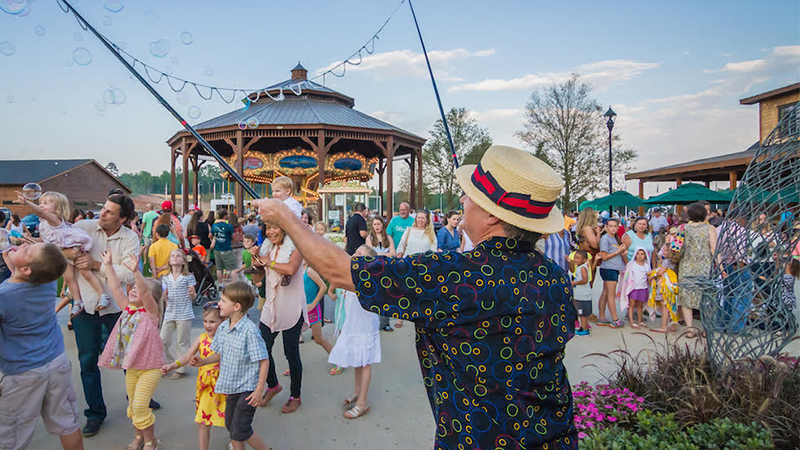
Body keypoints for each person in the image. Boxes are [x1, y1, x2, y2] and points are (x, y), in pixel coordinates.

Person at [251, 144, 578, 448]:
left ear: (492, 215)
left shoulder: (454, 274)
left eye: (469, 195)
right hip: (555, 435)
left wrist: (287, 219)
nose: (462, 200)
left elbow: (340, 272)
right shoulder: (556, 278)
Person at [72, 194, 144, 437]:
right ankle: (95, 413)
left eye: (109, 212)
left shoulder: (130, 238)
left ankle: (137, 400)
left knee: (129, 357)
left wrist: (96, 266)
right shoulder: (84, 228)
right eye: (103, 209)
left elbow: (128, 273)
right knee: (87, 361)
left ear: (122, 218)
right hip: (86, 307)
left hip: (116, 307)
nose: (102, 214)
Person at [0, 242, 84, 450]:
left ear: (27, 269)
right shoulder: (45, 281)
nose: (23, 245)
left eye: (28, 250)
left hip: (21, 373)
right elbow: (40, 264)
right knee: (67, 423)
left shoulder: (4, 296)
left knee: (11, 438)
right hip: (57, 363)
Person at [97, 250, 164, 450]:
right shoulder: (127, 307)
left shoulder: (151, 314)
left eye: (139, 288)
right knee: (133, 407)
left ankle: (151, 441)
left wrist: (136, 272)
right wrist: (108, 265)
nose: (134, 290)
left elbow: (144, 292)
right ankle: (138, 437)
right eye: (133, 287)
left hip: (150, 368)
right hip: (133, 367)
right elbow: (115, 286)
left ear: (152, 299)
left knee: (140, 406)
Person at [195, 282, 272, 450]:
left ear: (236, 306)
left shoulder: (250, 331)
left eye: (223, 300)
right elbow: (218, 354)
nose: (218, 304)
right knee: (231, 426)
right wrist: (202, 361)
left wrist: (259, 390)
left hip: (248, 389)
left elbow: (264, 360)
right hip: (231, 387)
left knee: (241, 430)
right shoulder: (223, 327)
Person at [13, 191, 109, 316]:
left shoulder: (55, 219)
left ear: (57, 207)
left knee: (86, 272)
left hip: (72, 247)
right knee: (68, 277)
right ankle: (78, 301)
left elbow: (40, 212)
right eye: (41, 202)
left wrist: (27, 202)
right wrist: (27, 239)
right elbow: (43, 241)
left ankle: (103, 295)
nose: (42, 205)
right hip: (62, 252)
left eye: (46, 203)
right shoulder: (43, 225)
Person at [256, 223, 308, 414]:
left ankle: (296, 396)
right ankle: (273, 385)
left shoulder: (296, 246)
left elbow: (290, 269)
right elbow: (258, 279)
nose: (271, 232)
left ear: (285, 228)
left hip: (291, 307)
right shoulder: (266, 248)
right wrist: (255, 262)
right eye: (268, 228)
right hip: (271, 306)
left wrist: (265, 261)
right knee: (261, 348)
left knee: (291, 353)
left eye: (275, 227)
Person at [161, 302, 226, 450]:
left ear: (222, 322)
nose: (208, 325)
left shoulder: (226, 338)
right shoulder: (201, 338)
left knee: (230, 418)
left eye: (212, 322)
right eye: (205, 321)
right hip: (205, 387)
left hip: (224, 385)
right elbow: (187, 356)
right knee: (204, 422)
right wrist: (172, 365)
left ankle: (235, 440)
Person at [327, 245, 382, 419]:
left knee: (365, 361)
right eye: (356, 251)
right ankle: (357, 391)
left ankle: (362, 403)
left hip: (364, 324)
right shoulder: (353, 272)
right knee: (358, 360)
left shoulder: (366, 277)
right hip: (353, 323)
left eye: (359, 253)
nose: (354, 254)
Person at [677, 203, 717, 337]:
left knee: (686, 299)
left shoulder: (683, 228)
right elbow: (714, 249)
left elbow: (678, 247)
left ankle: (690, 329)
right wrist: (721, 267)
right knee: (706, 298)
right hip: (704, 267)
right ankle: (706, 329)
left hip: (687, 266)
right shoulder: (710, 228)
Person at [160, 248, 197, 379]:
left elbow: (193, 296)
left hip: (184, 313)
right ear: (169, 261)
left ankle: (181, 369)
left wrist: (192, 294)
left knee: (182, 342)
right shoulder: (165, 278)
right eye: (173, 256)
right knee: (162, 340)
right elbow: (164, 297)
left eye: (178, 256)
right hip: (170, 313)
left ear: (183, 261)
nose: (175, 257)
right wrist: (163, 297)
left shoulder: (188, 277)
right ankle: (170, 362)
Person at [303, 264, 338, 374]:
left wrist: (313, 304)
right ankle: (294, 364)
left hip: (312, 309)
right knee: (292, 340)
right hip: (299, 309)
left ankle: (338, 360)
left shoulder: (309, 271)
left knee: (319, 339)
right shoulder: (295, 270)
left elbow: (323, 287)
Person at [365, 216, 395, 332]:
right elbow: (370, 254)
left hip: (386, 269)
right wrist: (384, 254)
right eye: (375, 224)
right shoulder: (370, 238)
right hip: (374, 270)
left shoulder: (388, 238)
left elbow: (392, 253)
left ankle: (385, 323)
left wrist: (380, 254)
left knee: (386, 296)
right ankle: (374, 323)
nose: (377, 226)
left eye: (379, 224)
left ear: (383, 225)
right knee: (375, 296)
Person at [597, 218, 627, 328]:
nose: (613, 228)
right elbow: (604, 257)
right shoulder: (605, 239)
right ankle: (615, 319)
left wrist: (621, 252)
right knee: (611, 294)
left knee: (605, 293)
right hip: (608, 268)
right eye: (611, 226)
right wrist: (617, 252)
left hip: (612, 268)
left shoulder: (614, 238)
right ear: (606, 227)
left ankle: (601, 317)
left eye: (615, 226)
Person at [618, 248, 652, 328]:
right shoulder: (632, 265)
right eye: (638, 253)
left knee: (640, 305)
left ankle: (640, 321)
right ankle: (631, 321)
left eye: (642, 254)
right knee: (631, 305)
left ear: (645, 256)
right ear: (635, 255)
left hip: (643, 288)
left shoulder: (646, 266)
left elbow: (649, 276)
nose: (640, 256)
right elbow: (627, 274)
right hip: (633, 288)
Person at [211, 209, 236, 283]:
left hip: (217, 249)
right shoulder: (229, 226)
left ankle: (220, 284)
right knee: (232, 268)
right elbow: (233, 237)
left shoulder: (214, 226)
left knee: (219, 268)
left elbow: (210, 235)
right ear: (225, 216)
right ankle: (234, 283)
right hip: (227, 248)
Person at [571, 250, 592, 336]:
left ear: (584, 260)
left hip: (583, 295)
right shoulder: (579, 267)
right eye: (575, 258)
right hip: (580, 294)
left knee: (583, 313)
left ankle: (585, 329)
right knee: (581, 312)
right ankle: (582, 327)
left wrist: (574, 283)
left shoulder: (583, 268)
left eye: (578, 258)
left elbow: (585, 280)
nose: (576, 260)